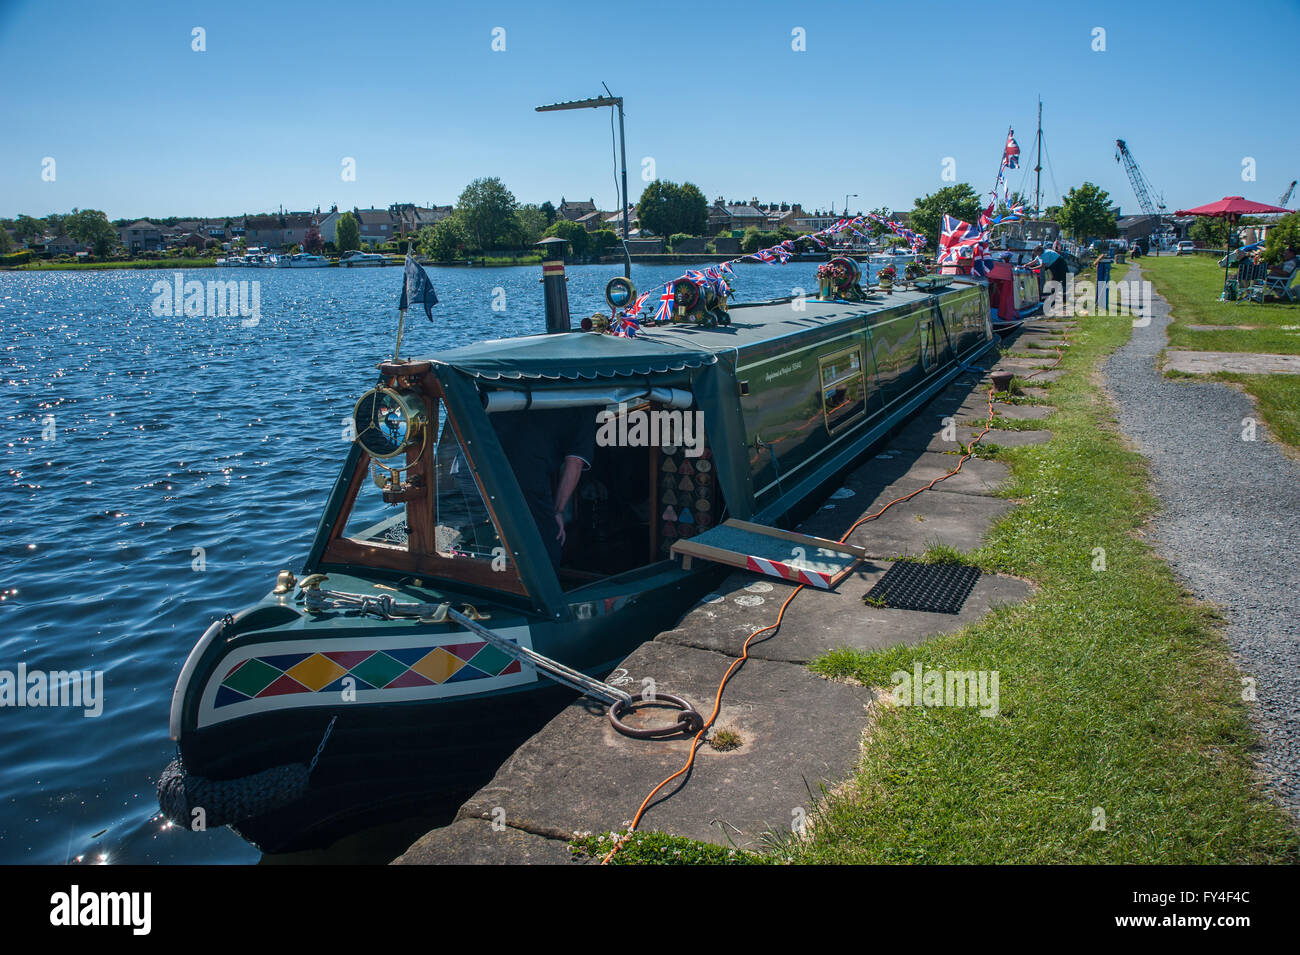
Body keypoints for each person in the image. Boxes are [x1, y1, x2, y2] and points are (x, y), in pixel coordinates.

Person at [492, 406, 595, 571]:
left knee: (496, 528)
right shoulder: (586, 407)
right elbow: (575, 463)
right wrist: (558, 511)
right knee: (550, 538)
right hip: (526, 468)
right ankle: (544, 592)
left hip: (484, 452)